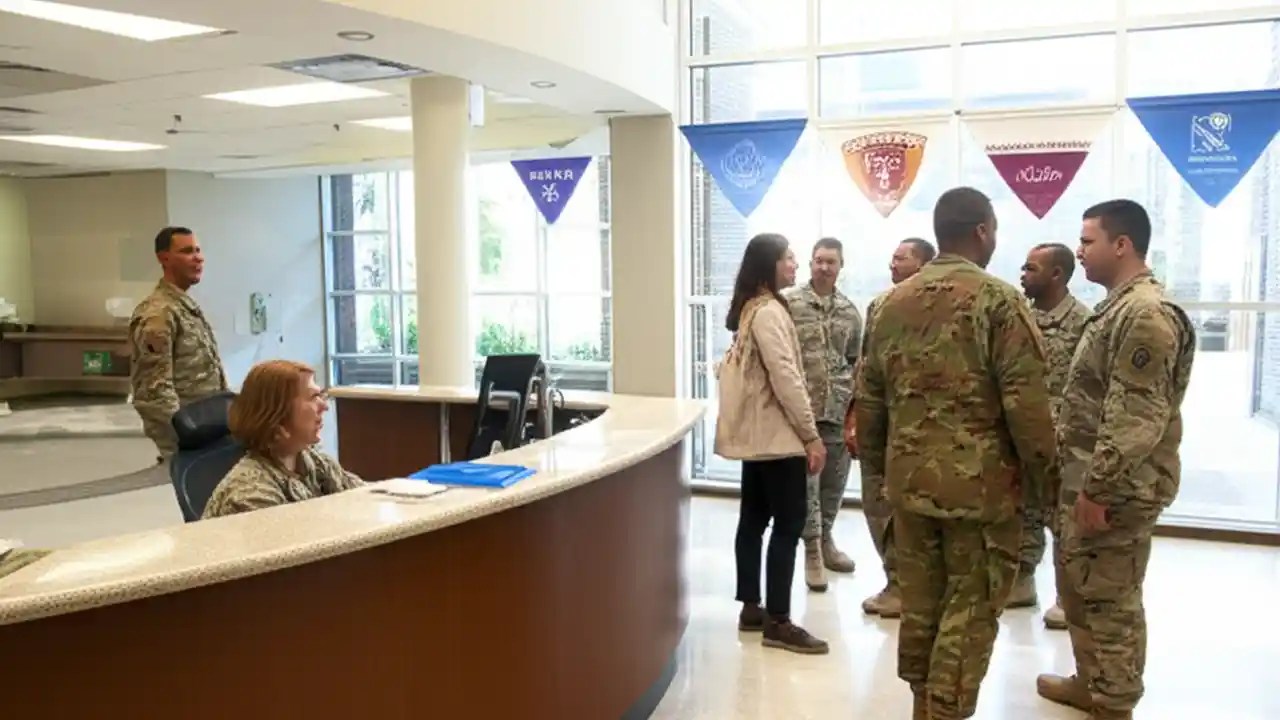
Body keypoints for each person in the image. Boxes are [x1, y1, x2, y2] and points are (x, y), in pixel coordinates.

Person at [856, 187, 1056, 720]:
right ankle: (944, 710)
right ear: (983, 231)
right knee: (968, 613)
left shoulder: (887, 305)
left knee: (921, 608)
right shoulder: (999, 301)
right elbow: (1028, 408)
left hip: (909, 487)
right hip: (981, 496)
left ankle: (924, 705)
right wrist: (1047, 486)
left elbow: (870, 401)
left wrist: (877, 477)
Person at [1037, 200, 1195, 720]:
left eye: (1087, 242)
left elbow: (1135, 419)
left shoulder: (1146, 313)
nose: (1079, 251)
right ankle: (1092, 682)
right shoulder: (1116, 307)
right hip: (1086, 481)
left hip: (1114, 491)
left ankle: (1116, 701)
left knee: (1111, 601)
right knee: (1081, 589)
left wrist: (1098, 489)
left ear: (1121, 245)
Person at [715, 233, 828, 655]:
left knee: (754, 521)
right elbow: (786, 378)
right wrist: (810, 435)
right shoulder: (768, 313)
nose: (795, 265)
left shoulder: (749, 310)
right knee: (788, 524)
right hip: (779, 440)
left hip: (757, 441)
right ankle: (778, 620)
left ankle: (751, 607)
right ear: (769, 264)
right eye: (789, 258)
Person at [851, 236, 935, 618]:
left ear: (923, 264)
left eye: (900, 258)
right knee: (888, 507)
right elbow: (866, 368)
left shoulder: (916, 306)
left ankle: (903, 586)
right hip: (897, 425)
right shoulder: (882, 305)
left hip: (905, 430)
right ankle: (905, 583)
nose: (892, 264)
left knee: (893, 508)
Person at [1011, 243, 1091, 620]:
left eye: (1031, 268)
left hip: (1064, 439)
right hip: (1022, 435)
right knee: (1023, 511)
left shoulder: (1083, 324)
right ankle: (1022, 582)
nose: (1023, 274)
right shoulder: (1017, 319)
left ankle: (1066, 596)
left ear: (1056, 274)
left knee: (1063, 520)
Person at [785, 237, 862, 592]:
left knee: (834, 482)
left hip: (837, 410)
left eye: (830, 261)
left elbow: (853, 360)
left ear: (840, 266)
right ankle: (812, 550)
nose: (824, 267)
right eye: (818, 260)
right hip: (802, 412)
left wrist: (852, 410)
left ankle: (827, 538)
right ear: (810, 263)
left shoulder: (849, 311)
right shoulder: (789, 303)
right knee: (807, 487)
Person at [202, 360, 364, 519]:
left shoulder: (312, 461)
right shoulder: (250, 493)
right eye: (313, 397)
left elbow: (365, 497)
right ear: (277, 415)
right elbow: (300, 541)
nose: (324, 406)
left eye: (321, 395)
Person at [129, 226, 228, 462]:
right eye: (187, 251)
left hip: (208, 431)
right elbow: (153, 391)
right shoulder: (158, 314)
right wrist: (181, 440)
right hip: (190, 441)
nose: (198, 258)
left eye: (198, 250)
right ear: (164, 258)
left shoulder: (183, 306)